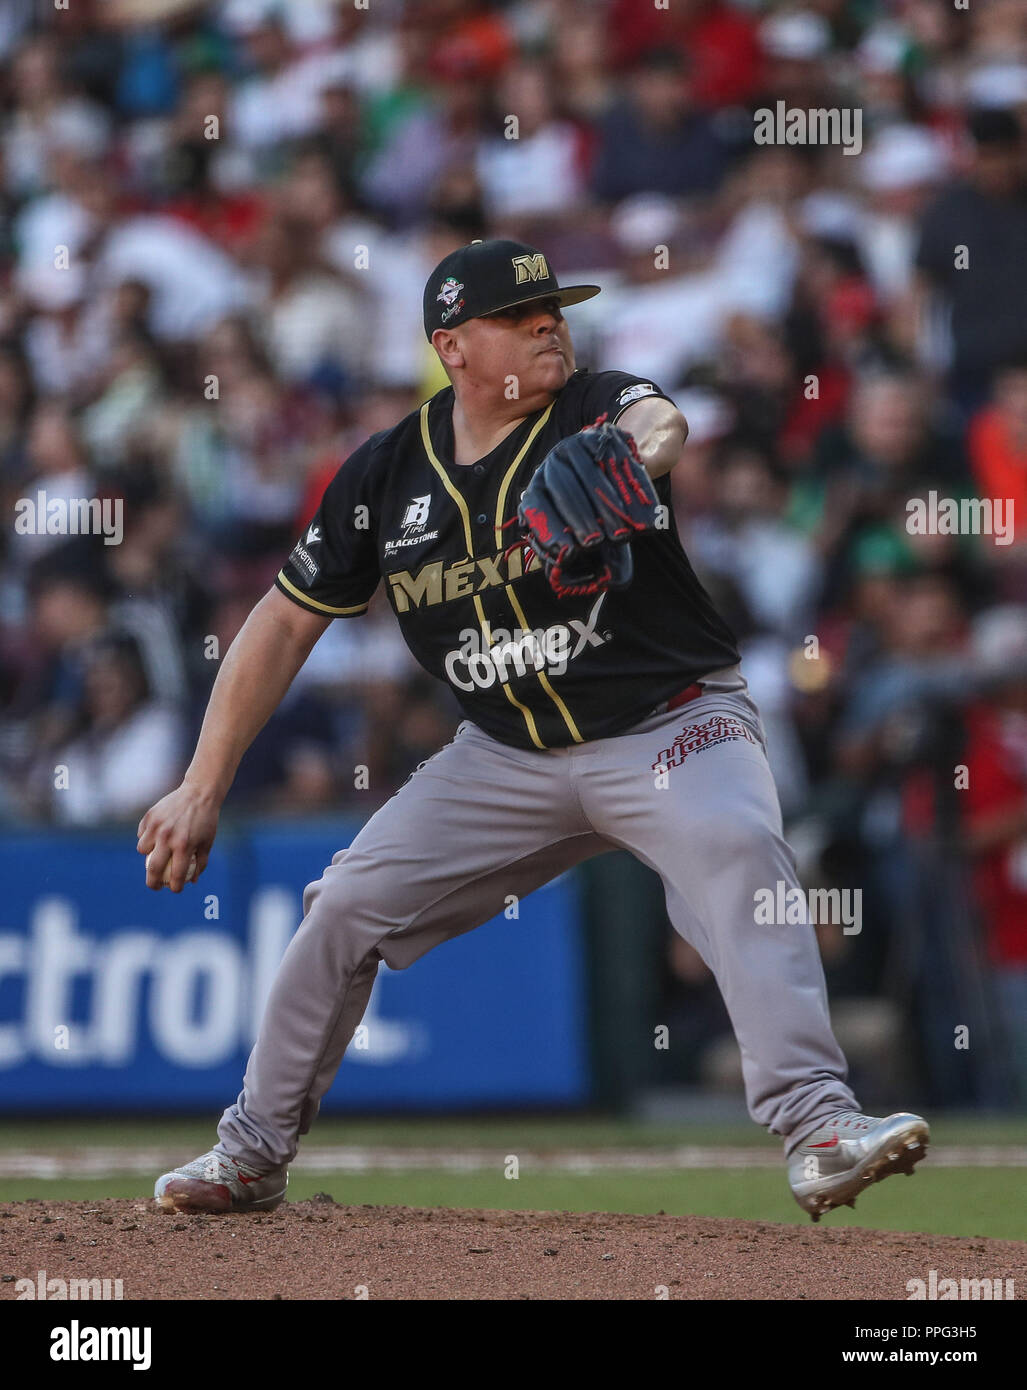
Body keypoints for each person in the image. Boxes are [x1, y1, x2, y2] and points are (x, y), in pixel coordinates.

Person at [140, 238, 928, 1222]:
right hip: (505, 757)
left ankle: (817, 1126)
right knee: (341, 907)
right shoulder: (388, 476)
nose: (548, 322)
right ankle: (250, 1152)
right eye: (520, 315)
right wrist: (203, 783)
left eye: (553, 307)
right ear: (452, 345)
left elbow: (659, 417)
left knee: (735, 847)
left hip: (668, 723)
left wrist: (634, 448)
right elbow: (285, 619)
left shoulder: (594, 406)